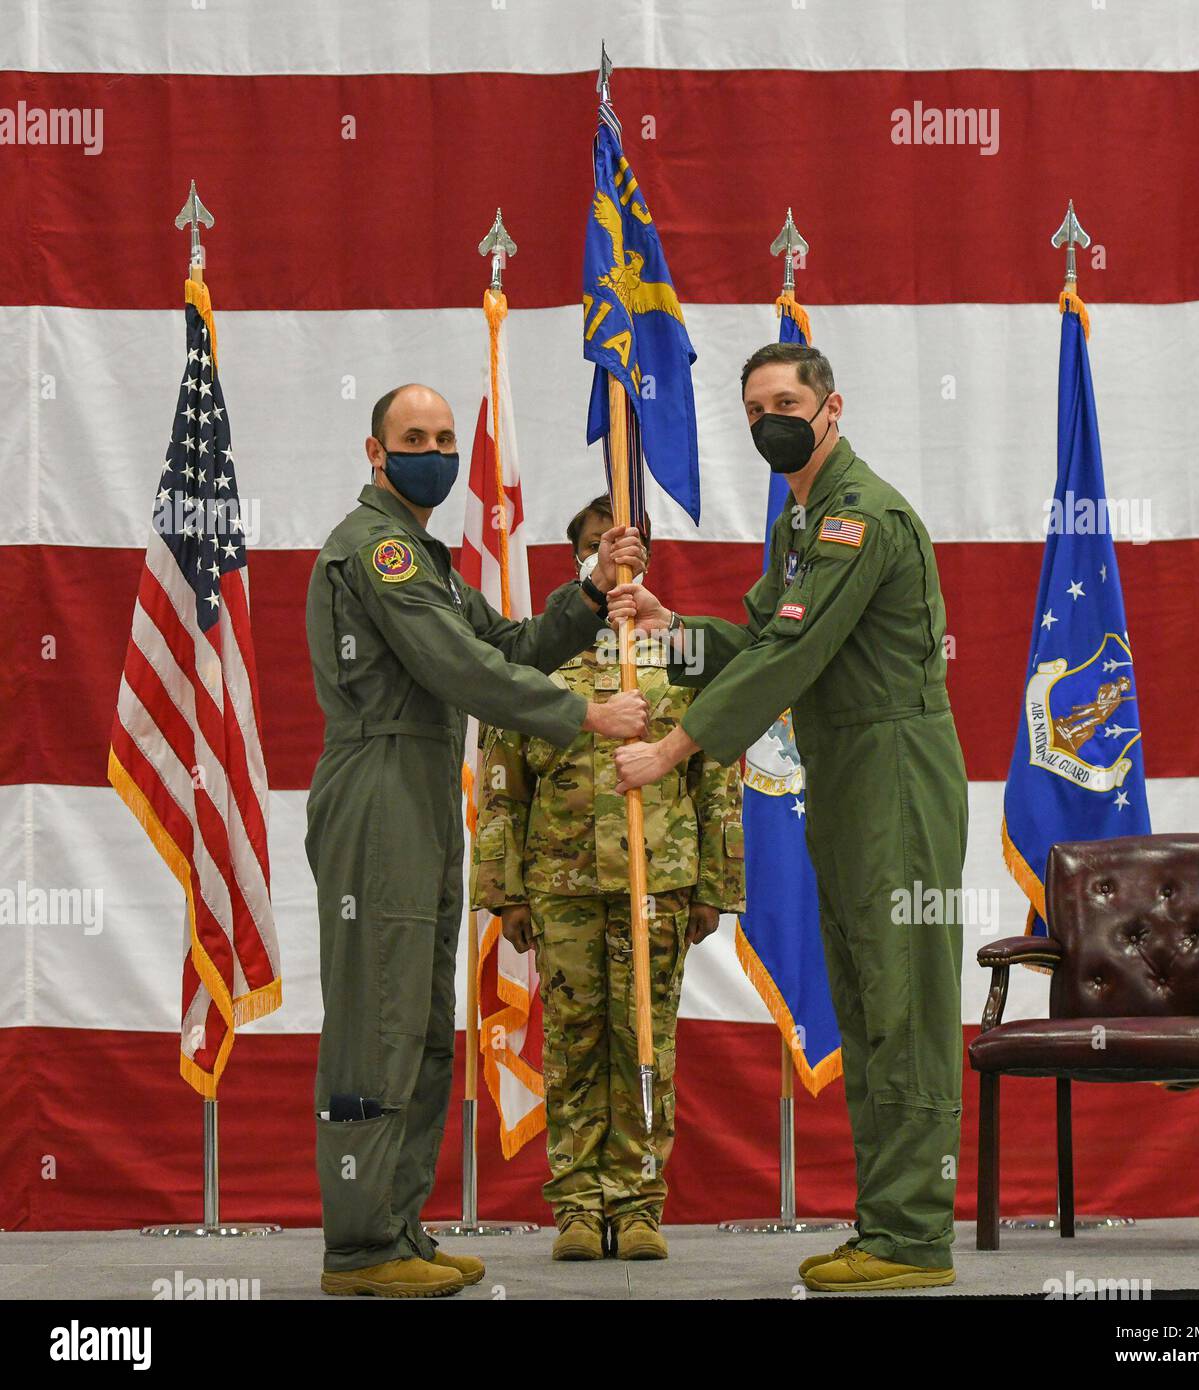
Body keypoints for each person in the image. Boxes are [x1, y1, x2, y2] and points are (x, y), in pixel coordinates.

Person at [610, 343, 969, 1292]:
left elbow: (785, 662)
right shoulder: (800, 525)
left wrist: (675, 749)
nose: (771, 418)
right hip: (845, 769)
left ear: (830, 408)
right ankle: (885, 1223)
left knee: (905, 1000)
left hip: (894, 767)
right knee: (861, 995)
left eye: (786, 402)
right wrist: (666, 624)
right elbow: (758, 641)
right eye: (756, 405)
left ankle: (915, 1235)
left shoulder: (861, 518)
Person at [305, 384, 648, 1297]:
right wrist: (588, 715)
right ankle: (359, 1245)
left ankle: (397, 1225)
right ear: (374, 452)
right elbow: (462, 668)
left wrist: (590, 587)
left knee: (417, 1020)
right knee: (377, 1016)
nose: (436, 451)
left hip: (418, 784)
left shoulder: (430, 558)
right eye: (415, 437)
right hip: (379, 781)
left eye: (446, 437)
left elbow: (511, 641)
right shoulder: (377, 550)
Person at [469, 496, 745, 1262]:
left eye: (626, 549)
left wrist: (714, 886)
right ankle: (579, 1209)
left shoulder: (678, 650)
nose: (612, 561)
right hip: (562, 884)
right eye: (597, 549)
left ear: (647, 561)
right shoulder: (543, 656)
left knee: (646, 1039)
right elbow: (501, 780)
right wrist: (507, 891)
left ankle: (639, 1200)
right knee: (573, 1042)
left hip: (657, 879)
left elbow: (718, 766)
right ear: (576, 560)